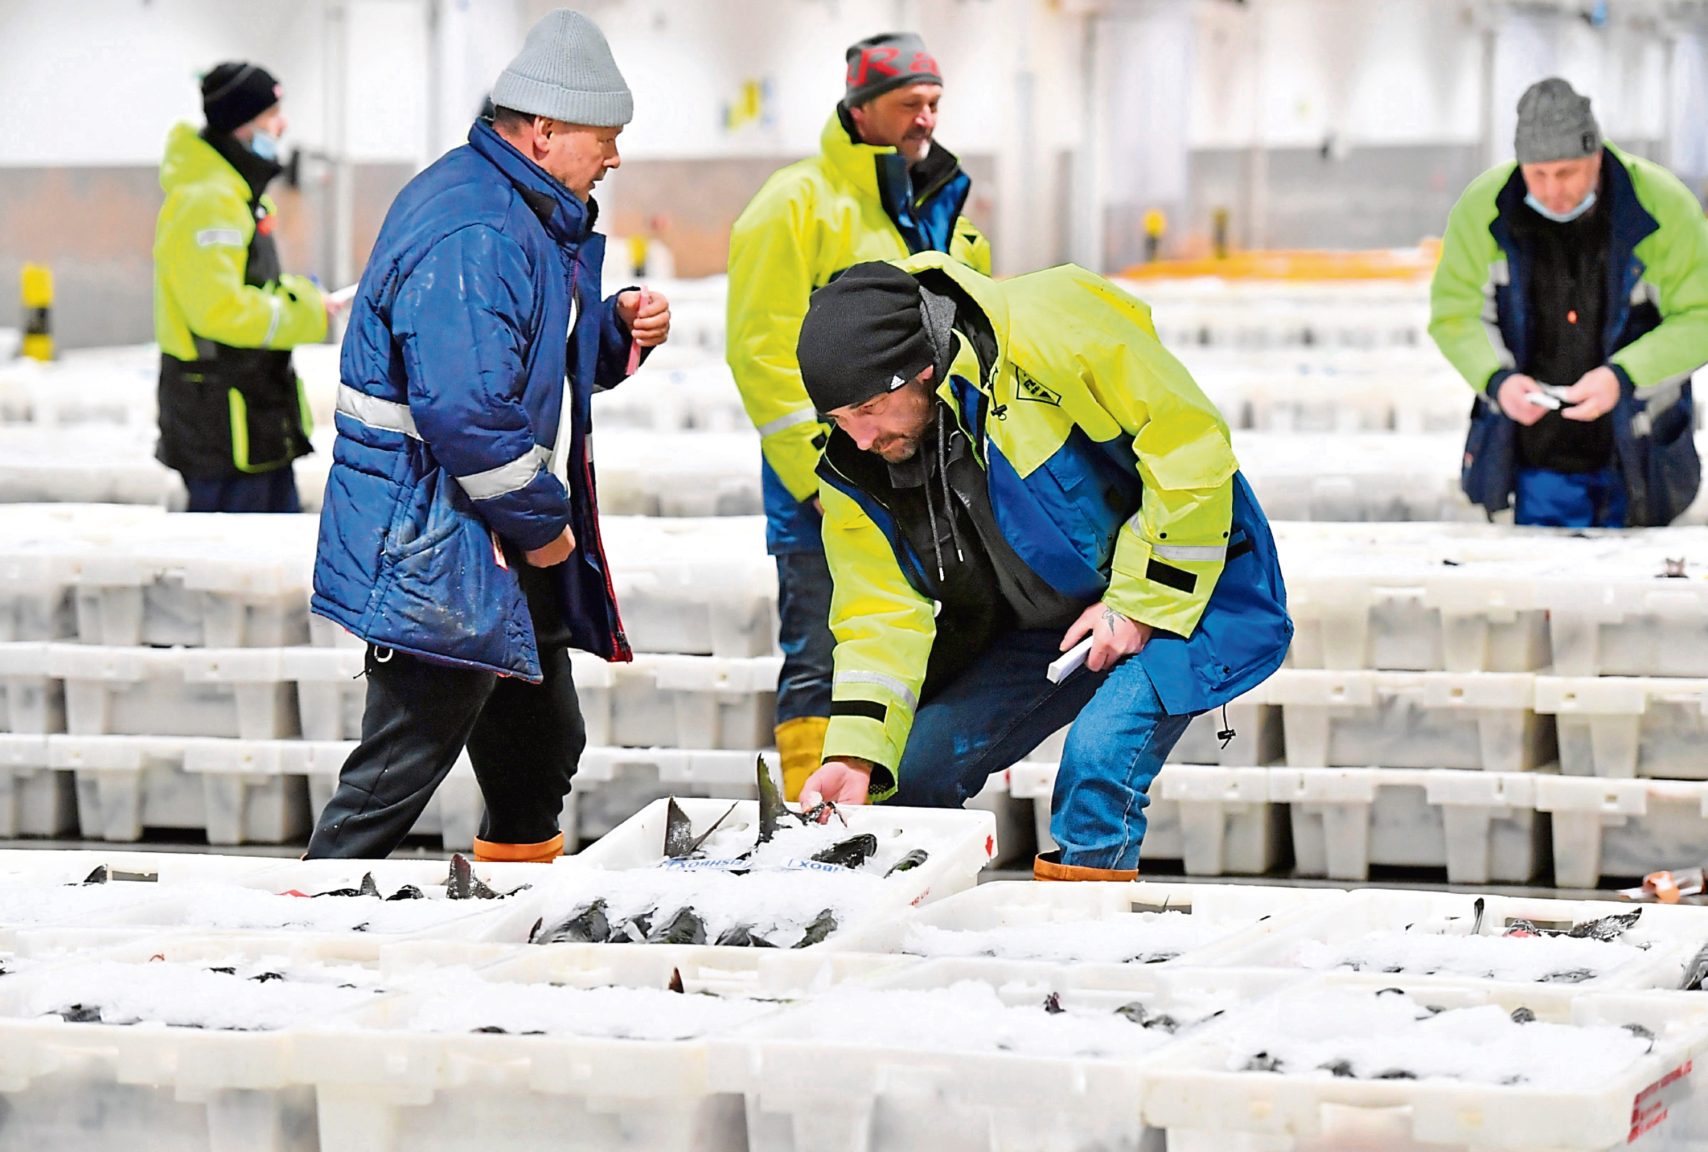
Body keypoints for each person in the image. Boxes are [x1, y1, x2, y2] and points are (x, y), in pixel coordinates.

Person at [790, 254, 1292, 881]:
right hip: (1052, 626)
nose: (859, 439)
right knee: (914, 770)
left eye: (867, 412)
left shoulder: (1052, 326)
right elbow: (877, 616)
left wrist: (1137, 604)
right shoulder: (857, 472)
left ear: (918, 370)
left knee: (1098, 761)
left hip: (1186, 590)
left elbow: (1188, 447)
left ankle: (1085, 946)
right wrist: (857, 755)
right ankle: (919, 941)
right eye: (839, 421)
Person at [305, 9, 671, 861]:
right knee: (403, 761)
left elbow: (519, 366)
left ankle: (519, 897)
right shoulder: (477, 228)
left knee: (539, 749)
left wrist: (613, 332)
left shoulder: (526, 212)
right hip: (441, 540)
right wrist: (547, 534)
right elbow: (467, 413)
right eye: (604, 138)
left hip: (493, 533)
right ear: (544, 132)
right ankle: (300, 935)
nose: (614, 157)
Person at [727, 32, 990, 801]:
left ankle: (903, 820)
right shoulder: (795, 205)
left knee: (918, 648)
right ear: (862, 108)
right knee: (821, 655)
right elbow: (760, 349)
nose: (926, 119)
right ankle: (821, 830)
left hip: (930, 479)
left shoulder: (933, 204)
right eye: (911, 103)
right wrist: (816, 472)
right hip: (829, 487)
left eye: (935, 103)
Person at [1432, 77, 1708, 528]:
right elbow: (1455, 313)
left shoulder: (1662, 208)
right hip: (1536, 458)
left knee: (1635, 587)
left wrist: (1623, 378)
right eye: (1537, 174)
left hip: (1639, 450)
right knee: (1544, 584)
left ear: (1596, 156)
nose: (1551, 189)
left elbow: (1701, 317)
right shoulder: (1483, 210)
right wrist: (1498, 380)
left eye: (1567, 173)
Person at [154, 61, 338, 513]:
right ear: (241, 124)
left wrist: (303, 296)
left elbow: (252, 283)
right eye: (272, 113)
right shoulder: (207, 200)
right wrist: (304, 314)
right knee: (234, 562)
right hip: (222, 420)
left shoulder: (238, 193)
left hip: (254, 414)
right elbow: (218, 311)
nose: (282, 124)